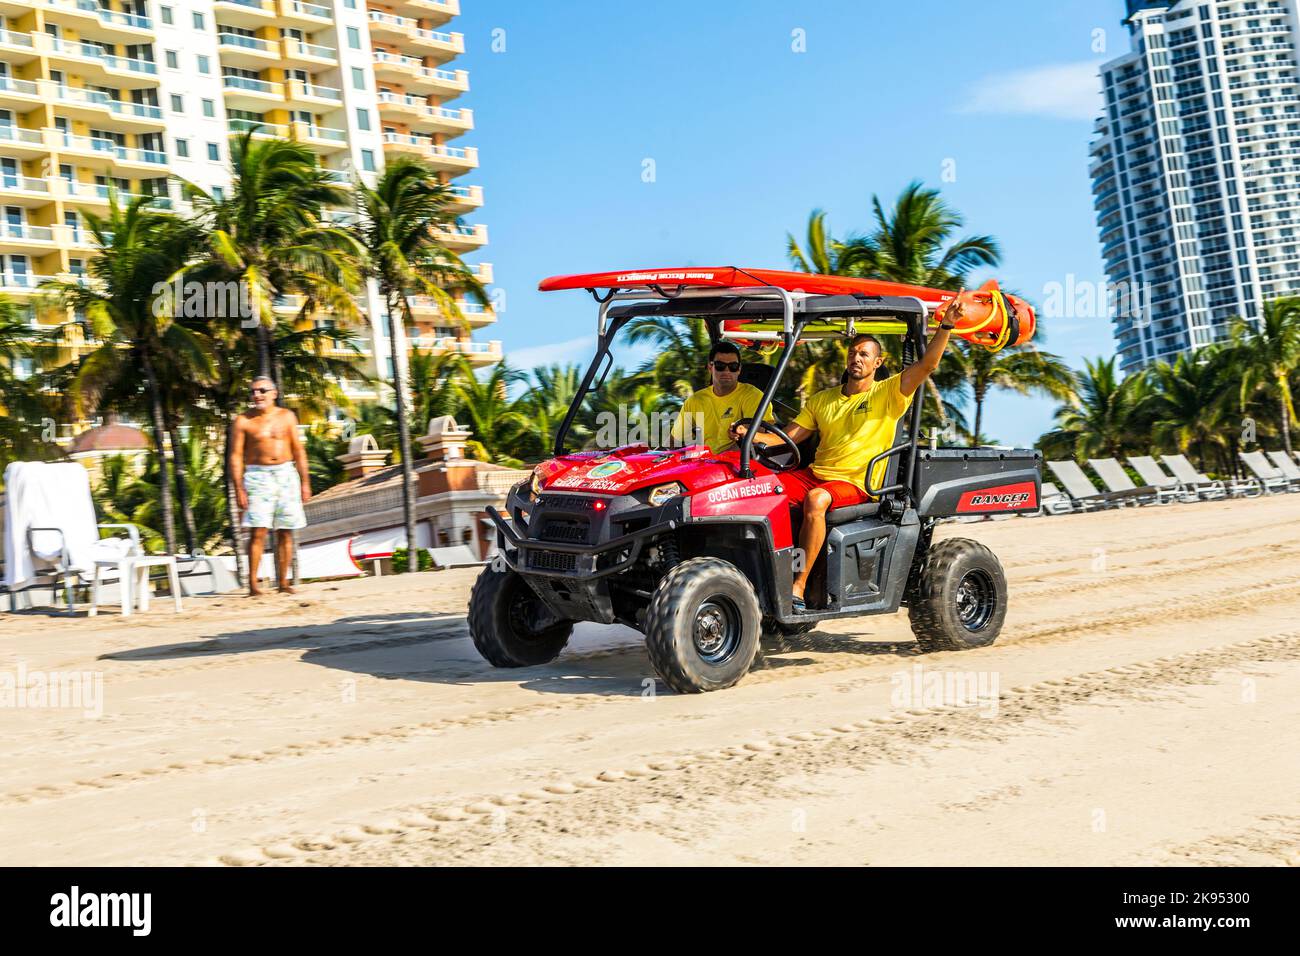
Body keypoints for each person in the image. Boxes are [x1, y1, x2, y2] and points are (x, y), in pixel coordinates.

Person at [733, 301, 962, 610]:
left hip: (856, 483)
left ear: (878, 362)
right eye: (853, 353)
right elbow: (785, 438)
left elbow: (927, 366)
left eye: (864, 354)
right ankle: (760, 575)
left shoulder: (889, 392)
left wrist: (946, 325)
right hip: (817, 475)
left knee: (816, 500)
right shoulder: (823, 400)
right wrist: (750, 435)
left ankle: (798, 588)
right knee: (758, 489)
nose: (857, 358)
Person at [229, 375, 311, 596]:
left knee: (286, 530)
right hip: (258, 476)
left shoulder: (287, 417)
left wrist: (305, 482)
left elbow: (298, 450)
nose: (257, 395)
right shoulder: (243, 421)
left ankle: (283, 582)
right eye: (253, 391)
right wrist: (239, 487)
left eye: (262, 390)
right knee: (259, 530)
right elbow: (236, 456)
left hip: (286, 473)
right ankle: (254, 585)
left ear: (274, 393)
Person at [669, 341, 773, 452]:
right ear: (710, 367)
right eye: (720, 366)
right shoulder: (695, 401)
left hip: (739, 464)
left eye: (733, 366)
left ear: (739, 369)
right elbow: (674, 441)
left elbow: (751, 440)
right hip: (706, 464)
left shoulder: (753, 395)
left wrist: (717, 461)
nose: (727, 371)